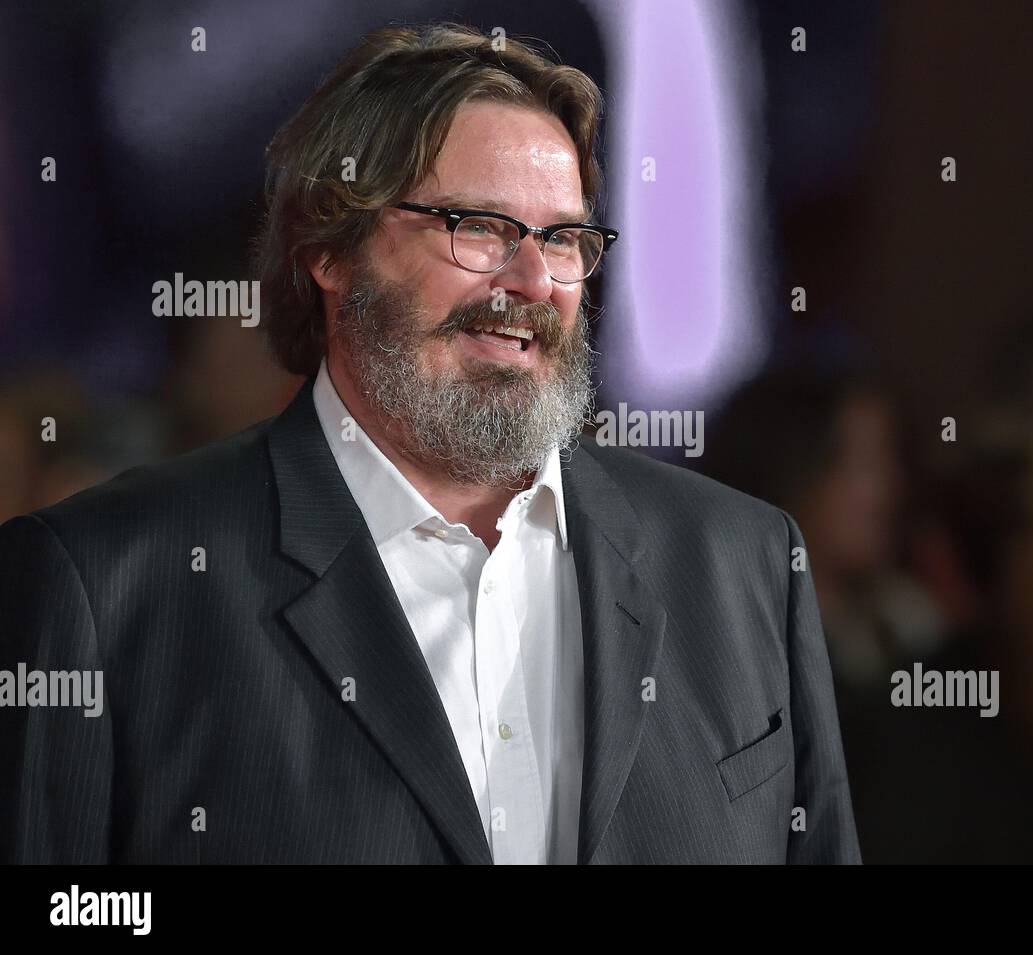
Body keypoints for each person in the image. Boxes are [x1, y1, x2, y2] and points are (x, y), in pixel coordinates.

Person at [0, 23, 859, 865]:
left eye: (562, 239)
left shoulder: (745, 562)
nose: (533, 282)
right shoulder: (106, 586)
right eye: (478, 227)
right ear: (332, 251)